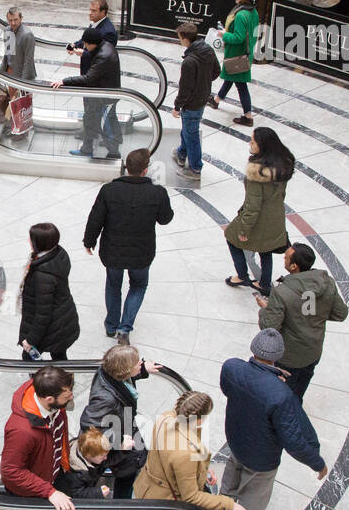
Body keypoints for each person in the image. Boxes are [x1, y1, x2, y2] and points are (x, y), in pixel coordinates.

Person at [99, 391, 249, 510]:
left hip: (153, 487)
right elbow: (192, 497)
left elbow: (191, 446)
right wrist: (230, 505)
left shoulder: (166, 418)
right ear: (197, 419)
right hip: (170, 503)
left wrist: (203, 468)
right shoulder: (184, 453)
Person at [221, 329, 328, 510]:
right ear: (278, 356)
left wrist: (269, 377)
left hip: (235, 439)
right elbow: (294, 441)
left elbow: (231, 389)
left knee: (231, 480)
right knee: (253, 498)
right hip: (261, 456)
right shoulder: (280, 394)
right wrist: (317, 463)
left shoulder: (232, 367)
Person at [0, 365, 86, 510]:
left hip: (51, 473)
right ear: (49, 399)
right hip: (30, 489)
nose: (71, 398)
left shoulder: (50, 404)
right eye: (67, 395)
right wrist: (49, 491)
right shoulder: (22, 430)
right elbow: (10, 470)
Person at [83, 148, 174, 343]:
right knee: (139, 285)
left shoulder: (109, 190)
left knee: (113, 284)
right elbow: (165, 219)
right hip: (142, 253)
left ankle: (111, 325)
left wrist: (89, 241)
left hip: (112, 250)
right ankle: (124, 329)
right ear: (145, 170)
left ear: (126, 168)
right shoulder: (157, 193)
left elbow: (95, 219)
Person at [256, 243, 348, 402]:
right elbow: (340, 313)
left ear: (293, 266)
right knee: (299, 390)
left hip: (289, 357)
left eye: (286, 258)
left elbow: (269, 328)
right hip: (313, 351)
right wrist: (315, 314)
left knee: (282, 396)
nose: (283, 259)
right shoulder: (327, 284)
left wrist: (266, 308)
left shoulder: (282, 292)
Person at [79, 344, 158, 499]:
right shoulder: (104, 399)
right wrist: (119, 442)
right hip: (122, 444)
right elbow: (90, 427)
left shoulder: (110, 373)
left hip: (125, 426)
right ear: (124, 371)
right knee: (127, 474)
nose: (141, 363)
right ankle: (122, 507)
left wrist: (142, 370)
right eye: (137, 363)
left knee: (132, 467)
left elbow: (124, 382)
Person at [223, 127, 294, 297]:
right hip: (276, 215)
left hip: (260, 218)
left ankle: (241, 276)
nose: (250, 143)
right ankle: (264, 284)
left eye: (253, 141)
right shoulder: (284, 162)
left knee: (232, 238)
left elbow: (253, 205)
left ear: (262, 145)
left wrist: (244, 230)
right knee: (266, 249)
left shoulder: (258, 172)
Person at [50, 26, 121, 159]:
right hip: (99, 94)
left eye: (86, 44)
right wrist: (83, 53)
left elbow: (89, 78)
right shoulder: (104, 46)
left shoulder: (104, 56)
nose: (85, 46)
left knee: (107, 124)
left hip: (106, 97)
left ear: (92, 43)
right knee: (90, 119)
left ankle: (114, 153)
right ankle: (87, 148)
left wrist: (65, 81)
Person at [18, 222, 80, 361]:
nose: (29, 240)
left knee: (29, 358)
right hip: (63, 319)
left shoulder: (43, 276)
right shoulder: (59, 253)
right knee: (59, 355)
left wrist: (31, 339)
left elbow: (43, 314)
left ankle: (41, 382)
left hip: (53, 325)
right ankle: (64, 380)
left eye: (31, 238)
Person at [170, 22, 219, 181]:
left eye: (179, 38)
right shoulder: (208, 50)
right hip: (203, 97)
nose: (179, 40)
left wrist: (177, 106)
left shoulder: (189, 61)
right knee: (188, 128)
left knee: (191, 133)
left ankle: (195, 169)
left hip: (192, 103)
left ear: (185, 39)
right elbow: (216, 71)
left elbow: (185, 89)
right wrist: (204, 82)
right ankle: (182, 153)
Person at [208, 0, 260, 127]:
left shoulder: (241, 15)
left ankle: (248, 116)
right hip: (245, 54)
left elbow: (238, 37)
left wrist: (224, 34)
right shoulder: (253, 12)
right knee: (231, 78)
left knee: (241, 85)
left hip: (237, 55)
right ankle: (216, 100)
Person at [1, 7, 36, 82]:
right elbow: (7, 53)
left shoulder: (27, 35)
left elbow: (28, 60)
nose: (13, 23)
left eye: (15, 19)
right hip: (10, 71)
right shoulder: (7, 30)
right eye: (10, 20)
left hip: (22, 75)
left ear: (21, 18)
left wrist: (23, 82)